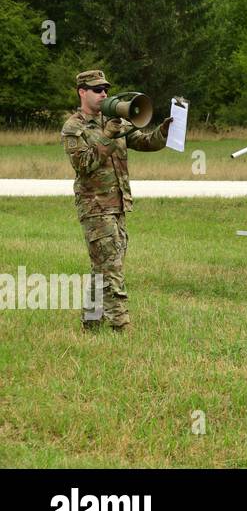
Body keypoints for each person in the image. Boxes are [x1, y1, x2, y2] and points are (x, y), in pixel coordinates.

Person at [61, 70, 173, 331]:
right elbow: (83, 164)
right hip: (94, 206)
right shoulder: (73, 127)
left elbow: (144, 142)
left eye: (105, 89)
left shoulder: (115, 121)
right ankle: (122, 327)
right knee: (111, 269)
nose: (103, 94)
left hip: (119, 205)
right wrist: (108, 136)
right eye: (97, 89)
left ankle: (91, 323)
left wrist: (164, 131)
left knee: (102, 267)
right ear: (82, 92)